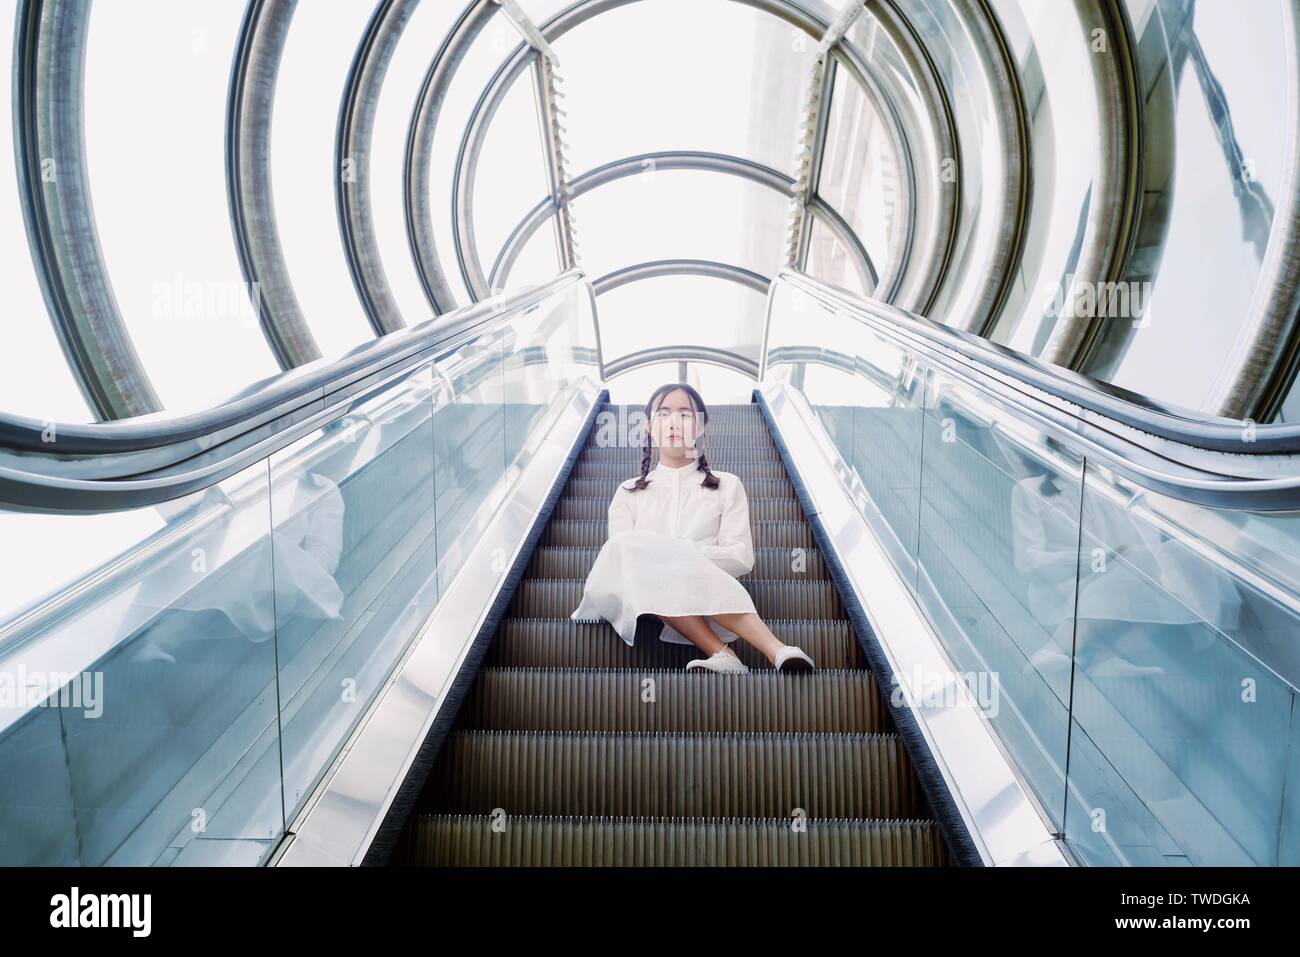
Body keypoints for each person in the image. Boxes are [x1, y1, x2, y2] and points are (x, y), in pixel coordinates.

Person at [569, 382, 816, 674]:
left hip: (712, 592)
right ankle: (756, 650)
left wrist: (683, 556)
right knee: (638, 555)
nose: (674, 421)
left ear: (699, 427)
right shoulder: (627, 492)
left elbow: (741, 556)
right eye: (664, 413)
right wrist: (677, 555)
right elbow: (624, 561)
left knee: (665, 561)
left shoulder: (727, 485)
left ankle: (751, 655)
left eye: (685, 414)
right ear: (649, 426)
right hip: (644, 596)